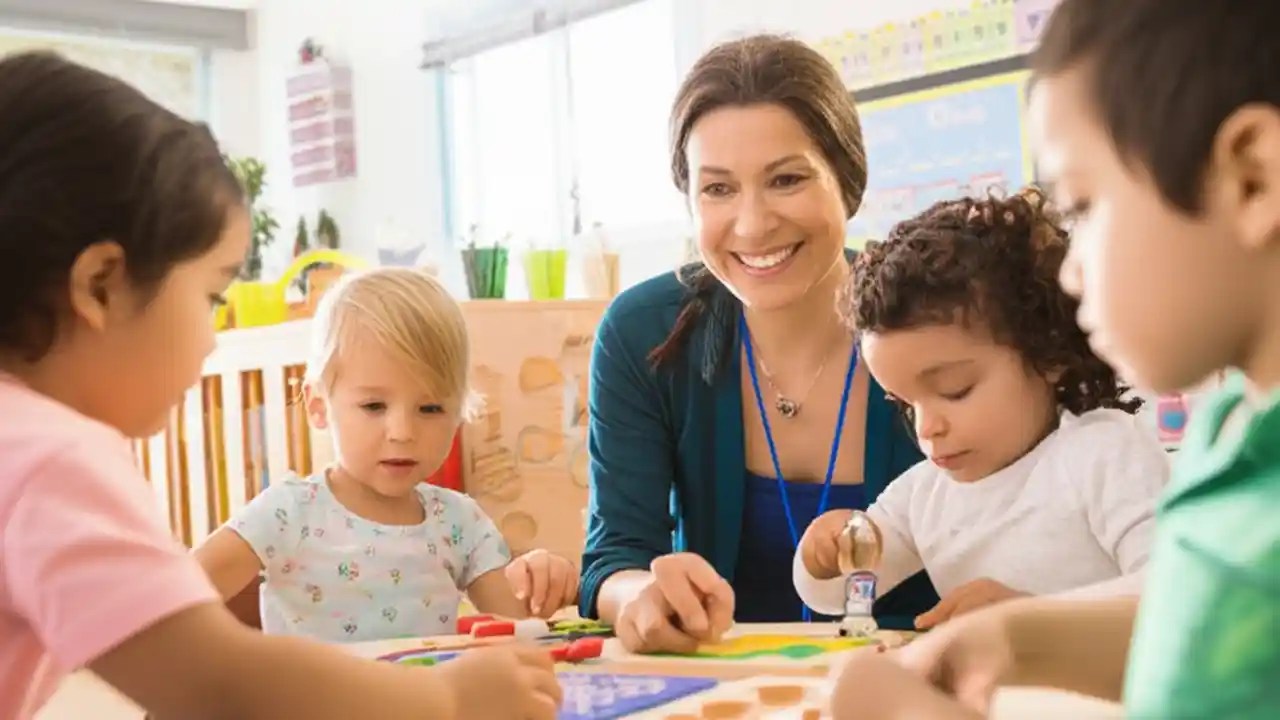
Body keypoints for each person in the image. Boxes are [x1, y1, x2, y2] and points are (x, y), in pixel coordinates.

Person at [0, 51, 560, 720]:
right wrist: (444, 700)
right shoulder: (51, 459)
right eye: (211, 295)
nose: (212, 338)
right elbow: (214, 678)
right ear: (100, 286)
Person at [829, 1, 1280, 718]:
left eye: (1087, 204)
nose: (1070, 275)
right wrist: (1015, 638)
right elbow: (1201, 631)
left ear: (1252, 178)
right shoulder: (1237, 433)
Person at [579, 34, 937, 654]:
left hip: (923, 684)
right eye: (718, 189)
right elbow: (614, 556)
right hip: (727, 688)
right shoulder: (643, 333)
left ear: (847, 180)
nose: (752, 224)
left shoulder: (941, 320)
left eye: (787, 179)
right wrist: (640, 595)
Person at [794, 189, 1167, 632]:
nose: (927, 428)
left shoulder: (1105, 454)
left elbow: (1176, 592)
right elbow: (837, 595)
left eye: (955, 390)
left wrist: (1034, 622)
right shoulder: (923, 496)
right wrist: (826, 555)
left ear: (1047, 353)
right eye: (906, 404)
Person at [194, 268, 579, 642]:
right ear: (317, 405)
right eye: (374, 406)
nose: (403, 433)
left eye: (430, 409)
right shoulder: (288, 511)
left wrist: (541, 578)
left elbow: (517, 619)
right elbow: (175, 593)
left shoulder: (460, 522)